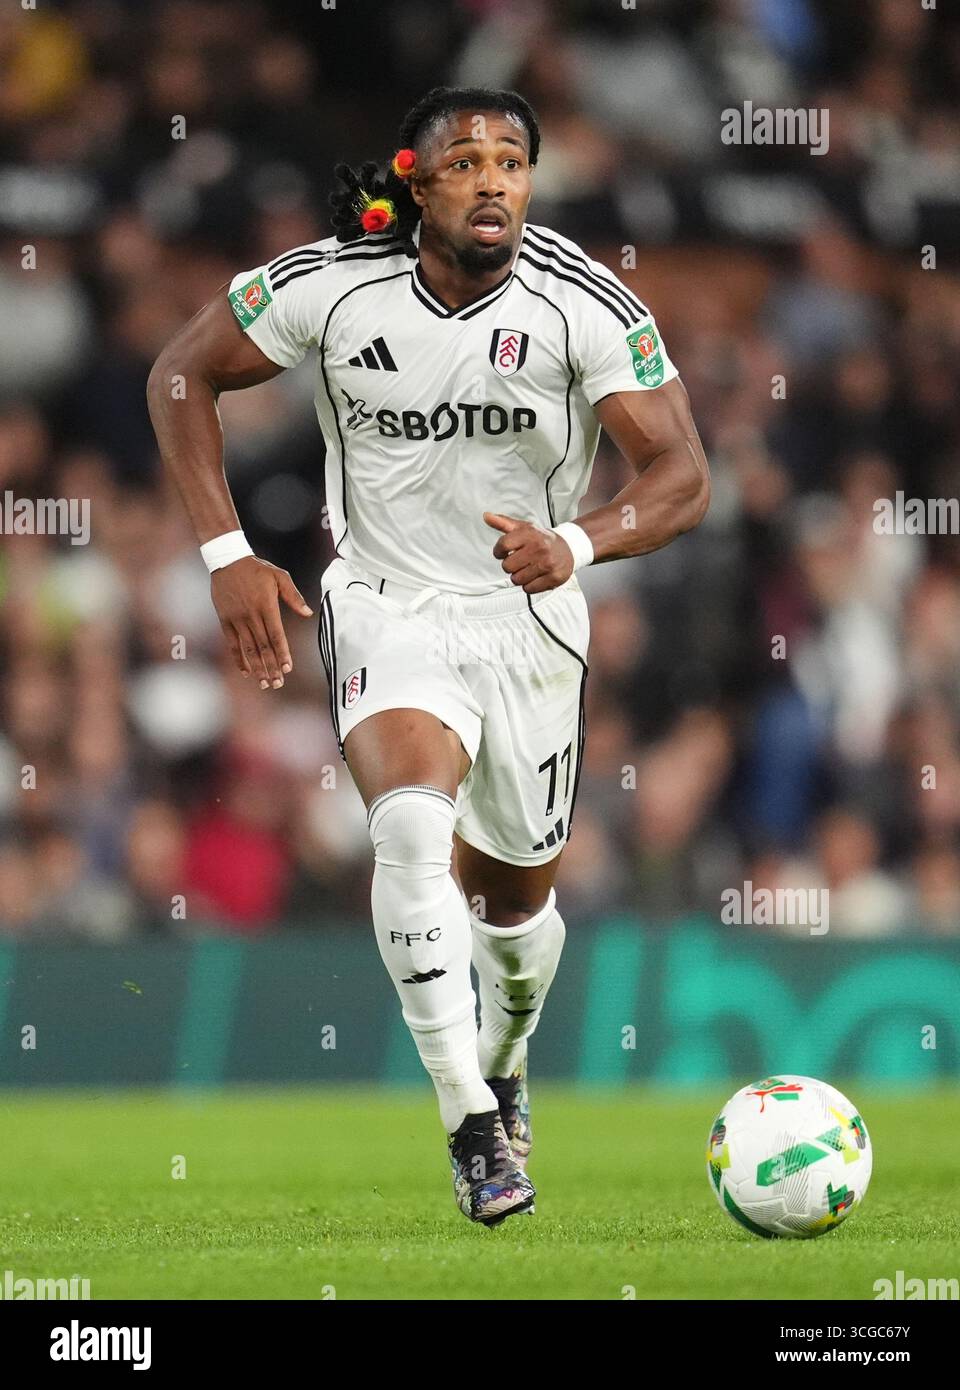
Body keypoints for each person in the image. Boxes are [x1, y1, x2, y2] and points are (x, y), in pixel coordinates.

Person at [147, 85, 710, 1227]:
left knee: (514, 914)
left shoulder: (582, 304)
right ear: (418, 180)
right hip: (387, 599)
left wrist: (579, 539)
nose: (494, 178)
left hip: (530, 618)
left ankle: (504, 1064)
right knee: (409, 822)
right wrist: (225, 552)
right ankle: (470, 1126)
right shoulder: (331, 285)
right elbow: (179, 374)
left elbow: (684, 475)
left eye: (513, 160)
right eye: (467, 162)